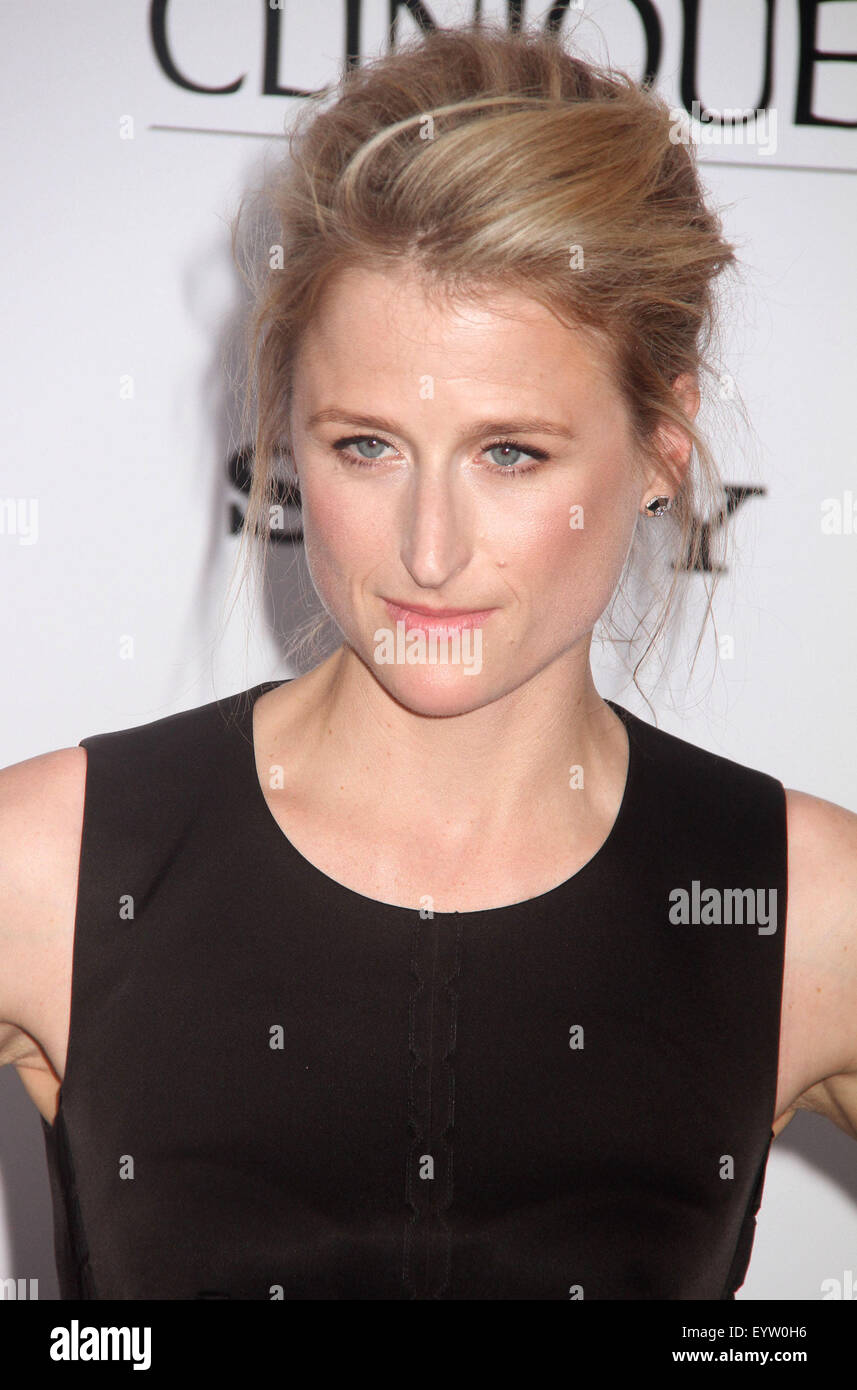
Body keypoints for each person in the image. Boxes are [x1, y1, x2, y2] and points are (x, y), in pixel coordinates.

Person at [1, 21, 855, 1302]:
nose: (427, 551)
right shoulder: (50, 865)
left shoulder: (803, 906)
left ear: (662, 443)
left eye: (510, 452)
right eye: (364, 447)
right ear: (286, 426)